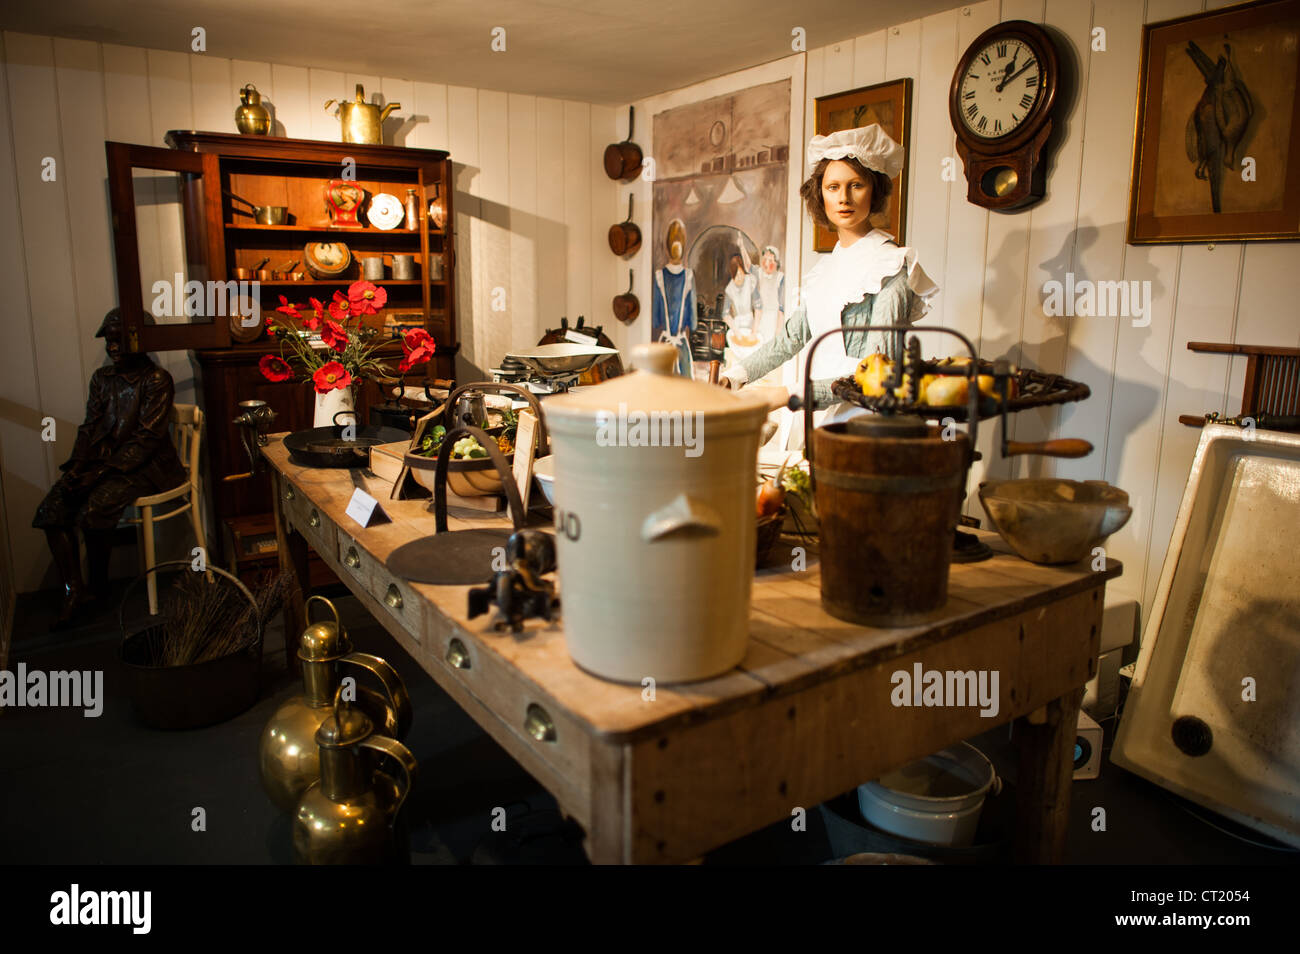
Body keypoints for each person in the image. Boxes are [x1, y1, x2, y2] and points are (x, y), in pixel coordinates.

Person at [720, 125, 938, 420]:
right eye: (833, 187)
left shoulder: (891, 266)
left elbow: (878, 377)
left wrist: (784, 394)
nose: (844, 198)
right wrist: (734, 376)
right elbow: (789, 339)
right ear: (820, 194)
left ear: (874, 191)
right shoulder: (825, 269)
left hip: (869, 421)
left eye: (856, 185)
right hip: (819, 414)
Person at [33, 309, 187, 628]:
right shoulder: (102, 379)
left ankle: (98, 587)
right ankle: (73, 590)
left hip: (147, 468)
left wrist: (99, 473)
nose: (113, 347)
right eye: (109, 341)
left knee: (94, 509)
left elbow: (147, 439)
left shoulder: (156, 380)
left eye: (120, 341)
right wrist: (78, 467)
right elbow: (89, 427)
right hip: (105, 463)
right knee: (53, 508)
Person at [651, 219, 697, 378]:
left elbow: (655, 319)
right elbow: (693, 320)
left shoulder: (659, 277)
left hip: (666, 345)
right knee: (685, 385)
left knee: (663, 386)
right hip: (681, 344)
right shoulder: (688, 276)